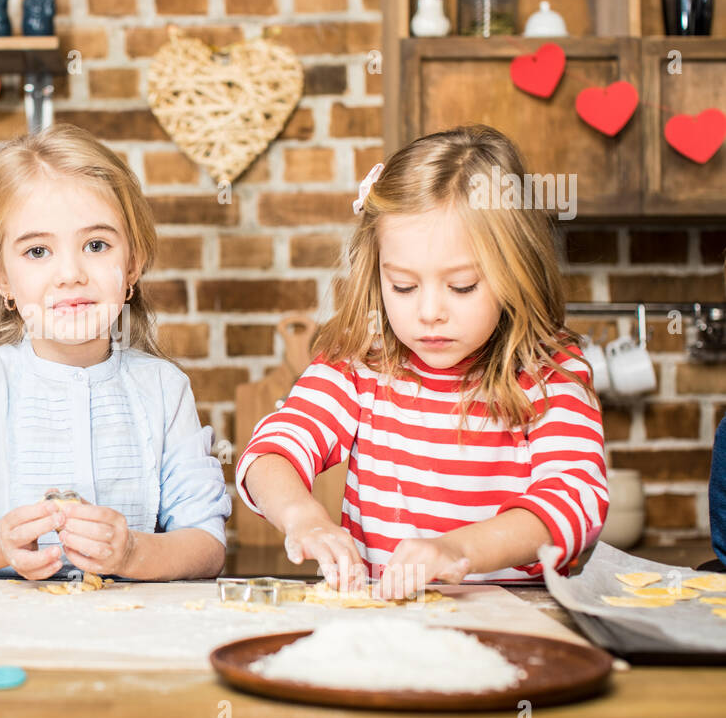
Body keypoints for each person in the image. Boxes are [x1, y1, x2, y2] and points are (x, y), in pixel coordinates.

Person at [239, 125, 607, 597]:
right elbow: (270, 452)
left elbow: (575, 499)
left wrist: (458, 549)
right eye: (404, 286)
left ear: (515, 270)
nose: (430, 311)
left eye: (462, 286)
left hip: (515, 622)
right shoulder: (359, 364)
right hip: (387, 630)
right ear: (377, 271)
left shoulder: (549, 373)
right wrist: (304, 518)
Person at [0, 123, 230, 579]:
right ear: (0, 275)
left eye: (96, 245)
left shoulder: (164, 388)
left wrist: (134, 554)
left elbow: (207, 544)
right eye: (38, 251)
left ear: (131, 264)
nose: (70, 273)